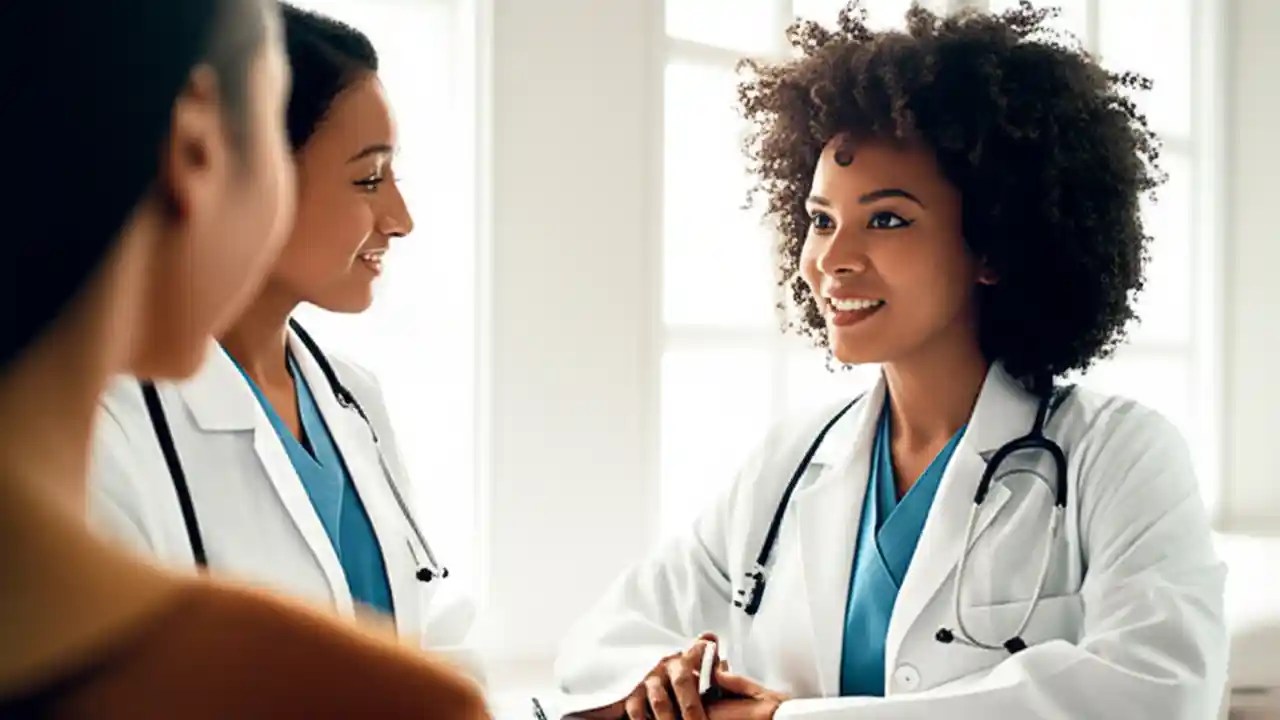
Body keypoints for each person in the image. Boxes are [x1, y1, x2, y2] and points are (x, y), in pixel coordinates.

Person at [554, 3, 1226, 719]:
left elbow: (1159, 691)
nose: (831, 261)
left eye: (887, 220)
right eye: (820, 220)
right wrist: (669, 679)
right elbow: (601, 645)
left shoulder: (1119, 456)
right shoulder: (793, 459)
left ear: (994, 244)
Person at [0, 1, 486, 716]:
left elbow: (430, 622)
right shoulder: (117, 437)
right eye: (367, 178)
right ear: (197, 145)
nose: (402, 219)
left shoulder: (352, 398)